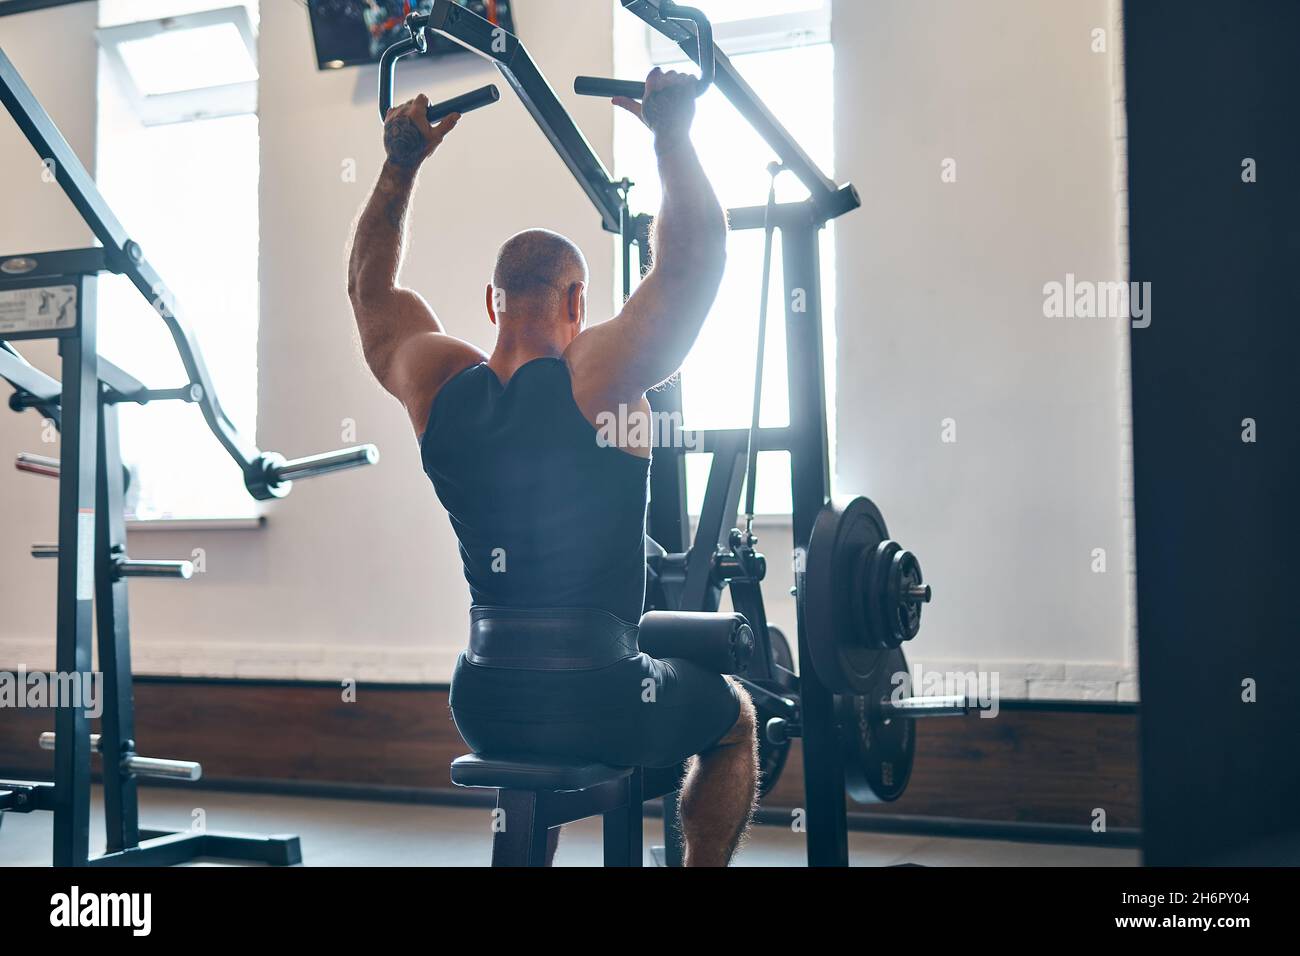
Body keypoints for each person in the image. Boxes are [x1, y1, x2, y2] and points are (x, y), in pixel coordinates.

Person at [347, 68, 756, 867]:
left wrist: (401, 163)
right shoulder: (597, 375)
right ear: (576, 303)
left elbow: (369, 288)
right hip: (601, 694)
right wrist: (673, 134)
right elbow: (694, 266)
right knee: (733, 718)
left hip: (485, 698)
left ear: (493, 303)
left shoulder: (434, 380)